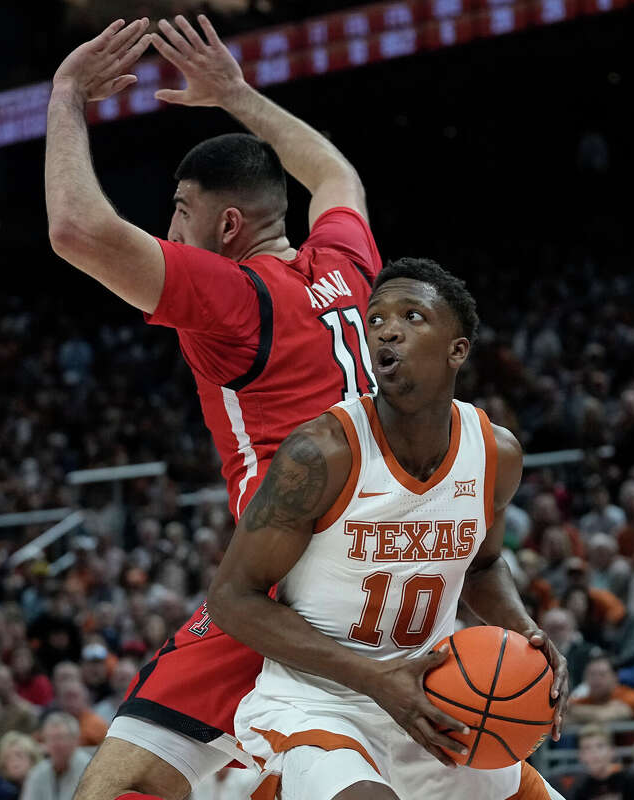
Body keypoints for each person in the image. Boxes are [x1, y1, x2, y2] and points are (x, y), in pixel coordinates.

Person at [46, 14, 387, 800]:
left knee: (114, 787)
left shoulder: (236, 295)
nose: (170, 227)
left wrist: (67, 95)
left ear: (227, 225)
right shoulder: (341, 268)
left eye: (178, 211)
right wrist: (236, 95)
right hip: (378, 569)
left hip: (285, 581)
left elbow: (76, 230)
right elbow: (338, 177)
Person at [206, 258, 567, 799]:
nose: (387, 329)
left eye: (413, 316)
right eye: (374, 320)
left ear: (457, 349)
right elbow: (232, 600)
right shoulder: (321, 453)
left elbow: (483, 565)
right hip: (323, 703)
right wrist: (377, 682)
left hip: (435, 696)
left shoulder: (495, 453)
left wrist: (525, 632)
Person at [19, 714, 90, 800]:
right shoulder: (38, 773)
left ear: (75, 740)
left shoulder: (89, 768)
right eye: (51, 738)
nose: (56, 744)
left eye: (61, 738)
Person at [566, 652, 634, 725]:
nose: (596, 679)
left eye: (602, 674)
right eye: (591, 674)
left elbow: (605, 717)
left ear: (615, 677)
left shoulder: (632, 696)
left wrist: (573, 711)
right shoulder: (583, 700)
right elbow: (565, 719)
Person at [572, 725, 634, 800]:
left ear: (612, 750)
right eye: (587, 748)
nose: (594, 752)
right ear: (580, 756)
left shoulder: (630, 780)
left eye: (600, 746)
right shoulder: (581, 788)